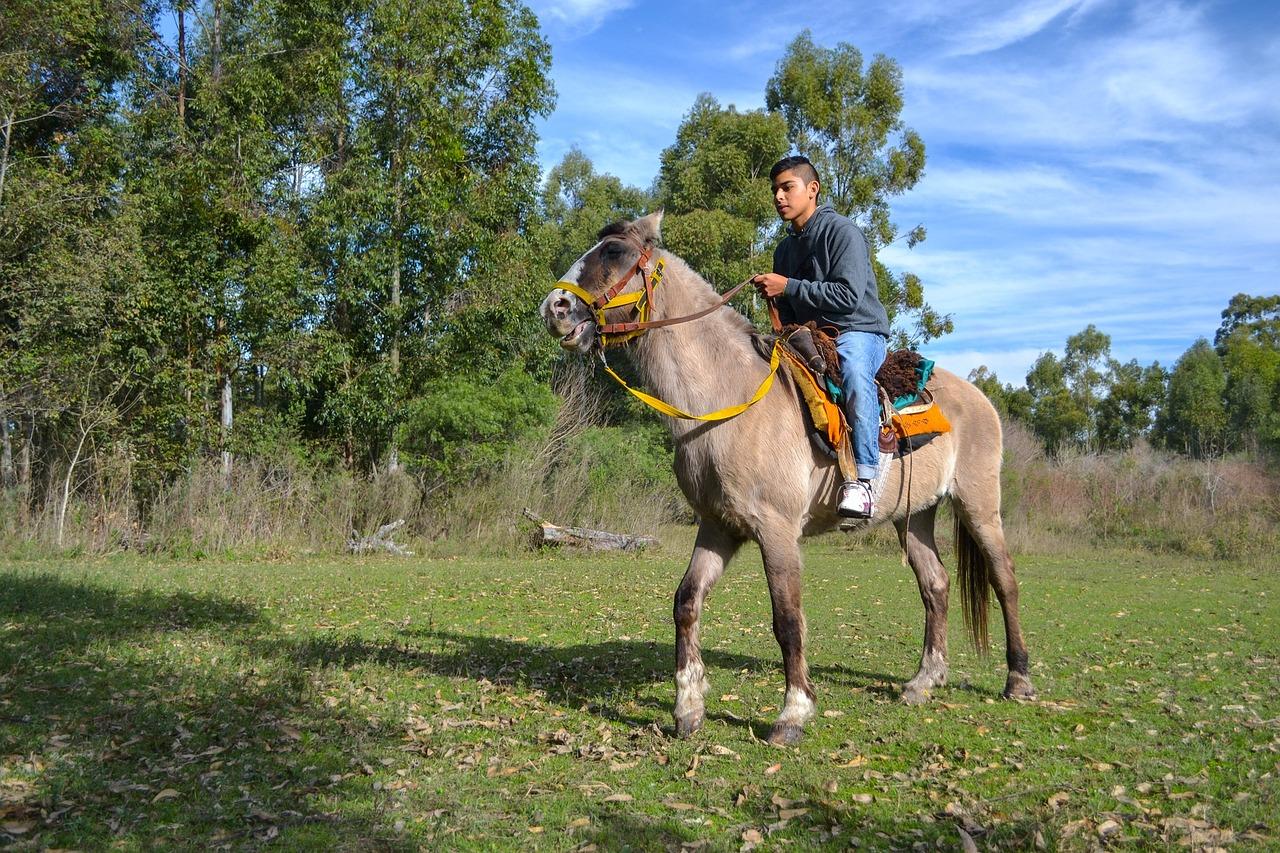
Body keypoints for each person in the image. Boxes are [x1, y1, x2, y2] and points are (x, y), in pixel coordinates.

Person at [752, 155, 890, 519]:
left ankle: (863, 480)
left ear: (812, 190)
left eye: (787, 187)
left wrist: (789, 285)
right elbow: (795, 310)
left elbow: (848, 296)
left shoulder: (842, 232)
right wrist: (779, 302)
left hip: (858, 330)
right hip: (812, 336)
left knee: (855, 377)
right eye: (775, 191)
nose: (779, 197)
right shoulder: (784, 249)